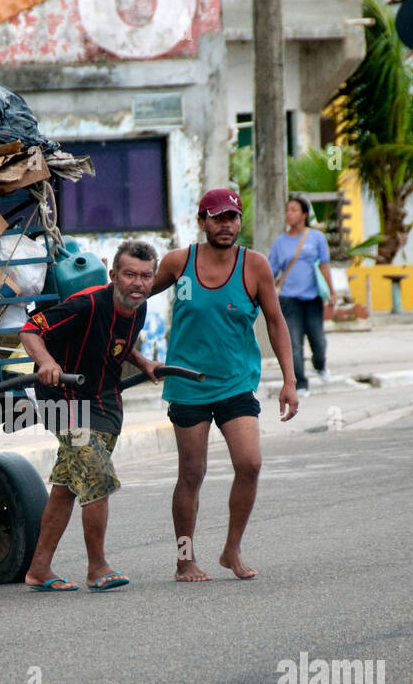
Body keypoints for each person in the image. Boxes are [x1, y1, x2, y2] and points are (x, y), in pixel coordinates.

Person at [150, 188, 298, 582]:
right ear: (203, 222)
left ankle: (231, 549)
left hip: (235, 383)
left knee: (250, 464)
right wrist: (127, 349)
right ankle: (185, 559)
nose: (226, 225)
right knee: (191, 474)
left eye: (232, 217)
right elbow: (133, 298)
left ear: (239, 221)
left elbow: (275, 321)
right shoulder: (178, 262)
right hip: (187, 386)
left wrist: (289, 380)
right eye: (217, 218)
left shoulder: (255, 266)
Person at [20, 241, 162, 592]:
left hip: (106, 404)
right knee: (96, 474)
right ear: (113, 275)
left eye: (145, 276)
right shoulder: (86, 304)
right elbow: (30, 329)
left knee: (68, 484)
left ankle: (39, 568)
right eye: (129, 274)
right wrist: (47, 362)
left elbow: (118, 342)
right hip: (64, 398)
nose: (137, 283)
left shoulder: (138, 309)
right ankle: (97, 567)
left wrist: (144, 363)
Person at [268, 195, 337, 398]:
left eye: (294, 210)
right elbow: (271, 271)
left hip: (313, 298)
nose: (289, 214)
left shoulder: (316, 238)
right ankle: (300, 383)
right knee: (293, 343)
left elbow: (324, 266)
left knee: (318, 340)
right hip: (289, 300)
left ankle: (320, 364)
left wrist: (332, 293)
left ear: (304, 214)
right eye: (287, 210)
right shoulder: (280, 243)